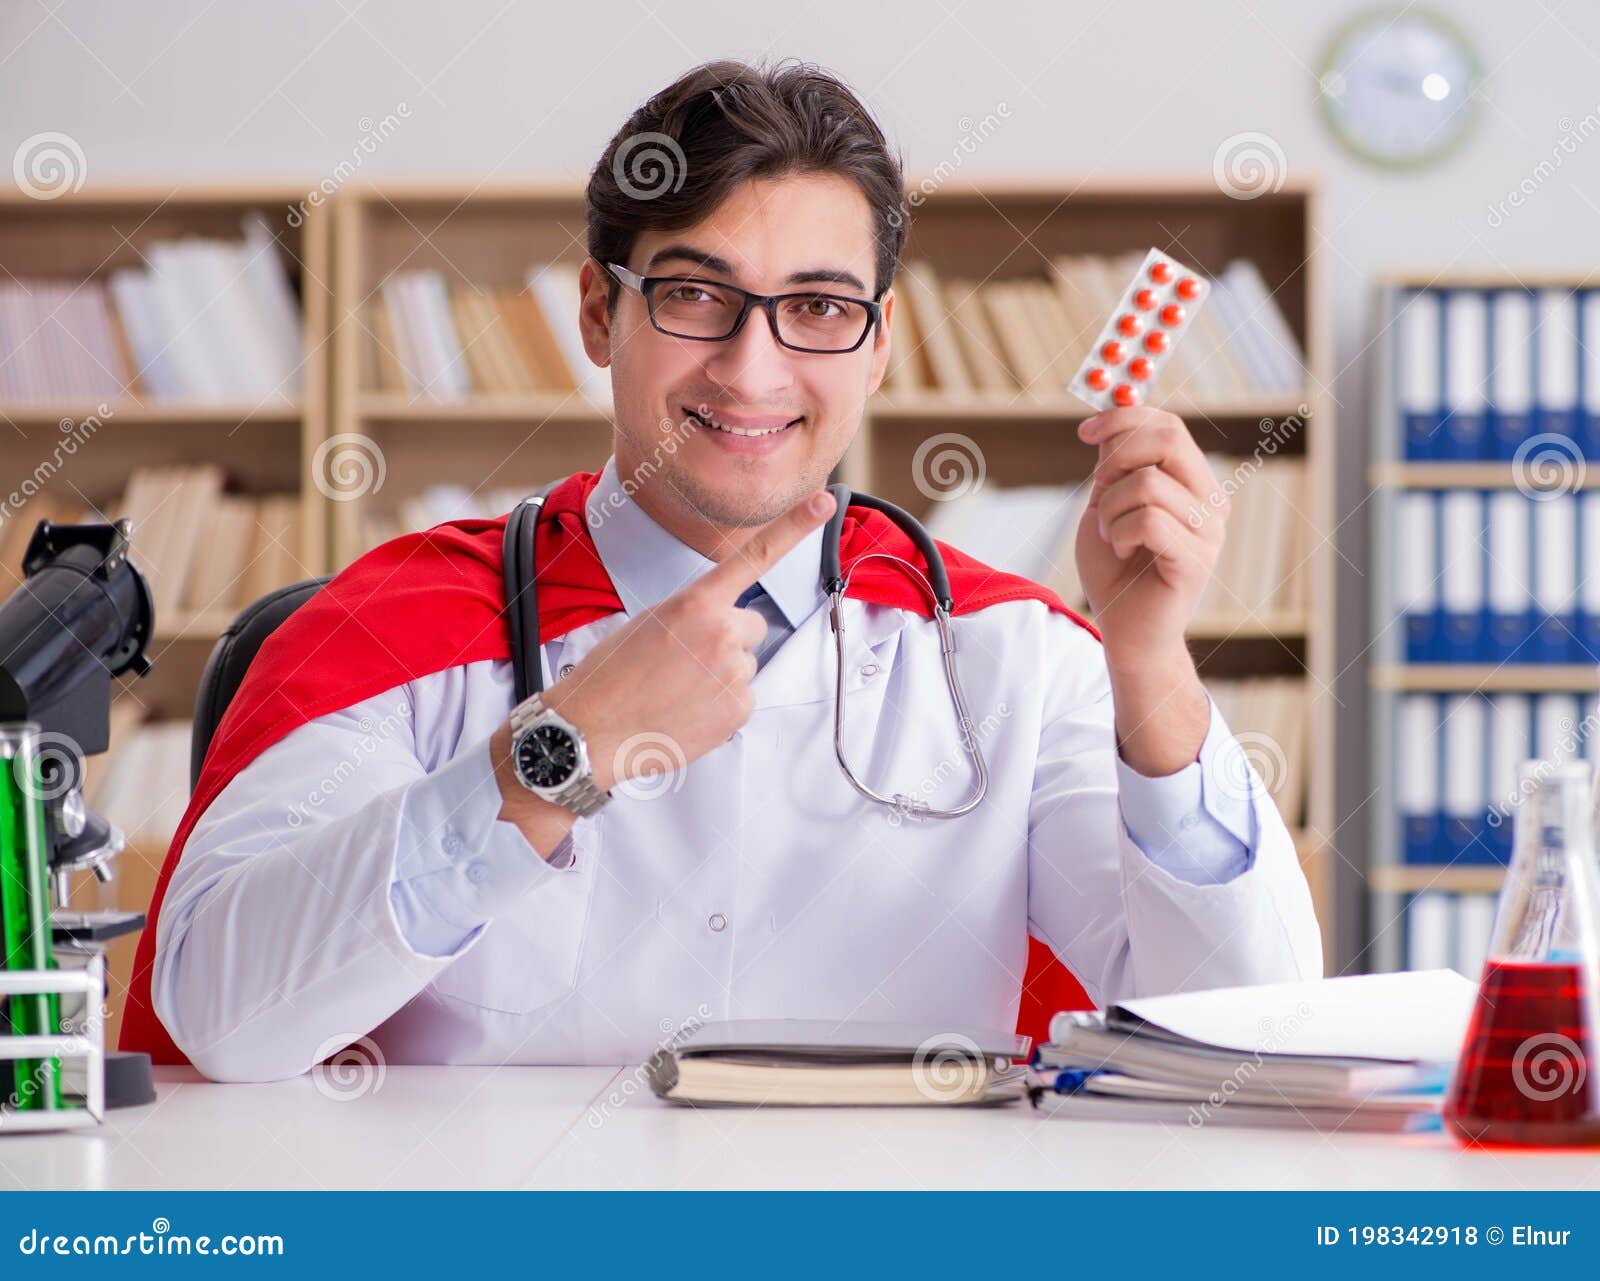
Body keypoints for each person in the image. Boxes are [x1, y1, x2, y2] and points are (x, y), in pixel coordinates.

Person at [121, 57, 1320, 1082]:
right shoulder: (394, 625)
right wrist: (555, 757)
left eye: (815, 307)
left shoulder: (1016, 655)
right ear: (601, 313)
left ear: (879, 341)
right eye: (696, 296)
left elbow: (1247, 1029)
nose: (752, 372)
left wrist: (1150, 662)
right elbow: (221, 1018)